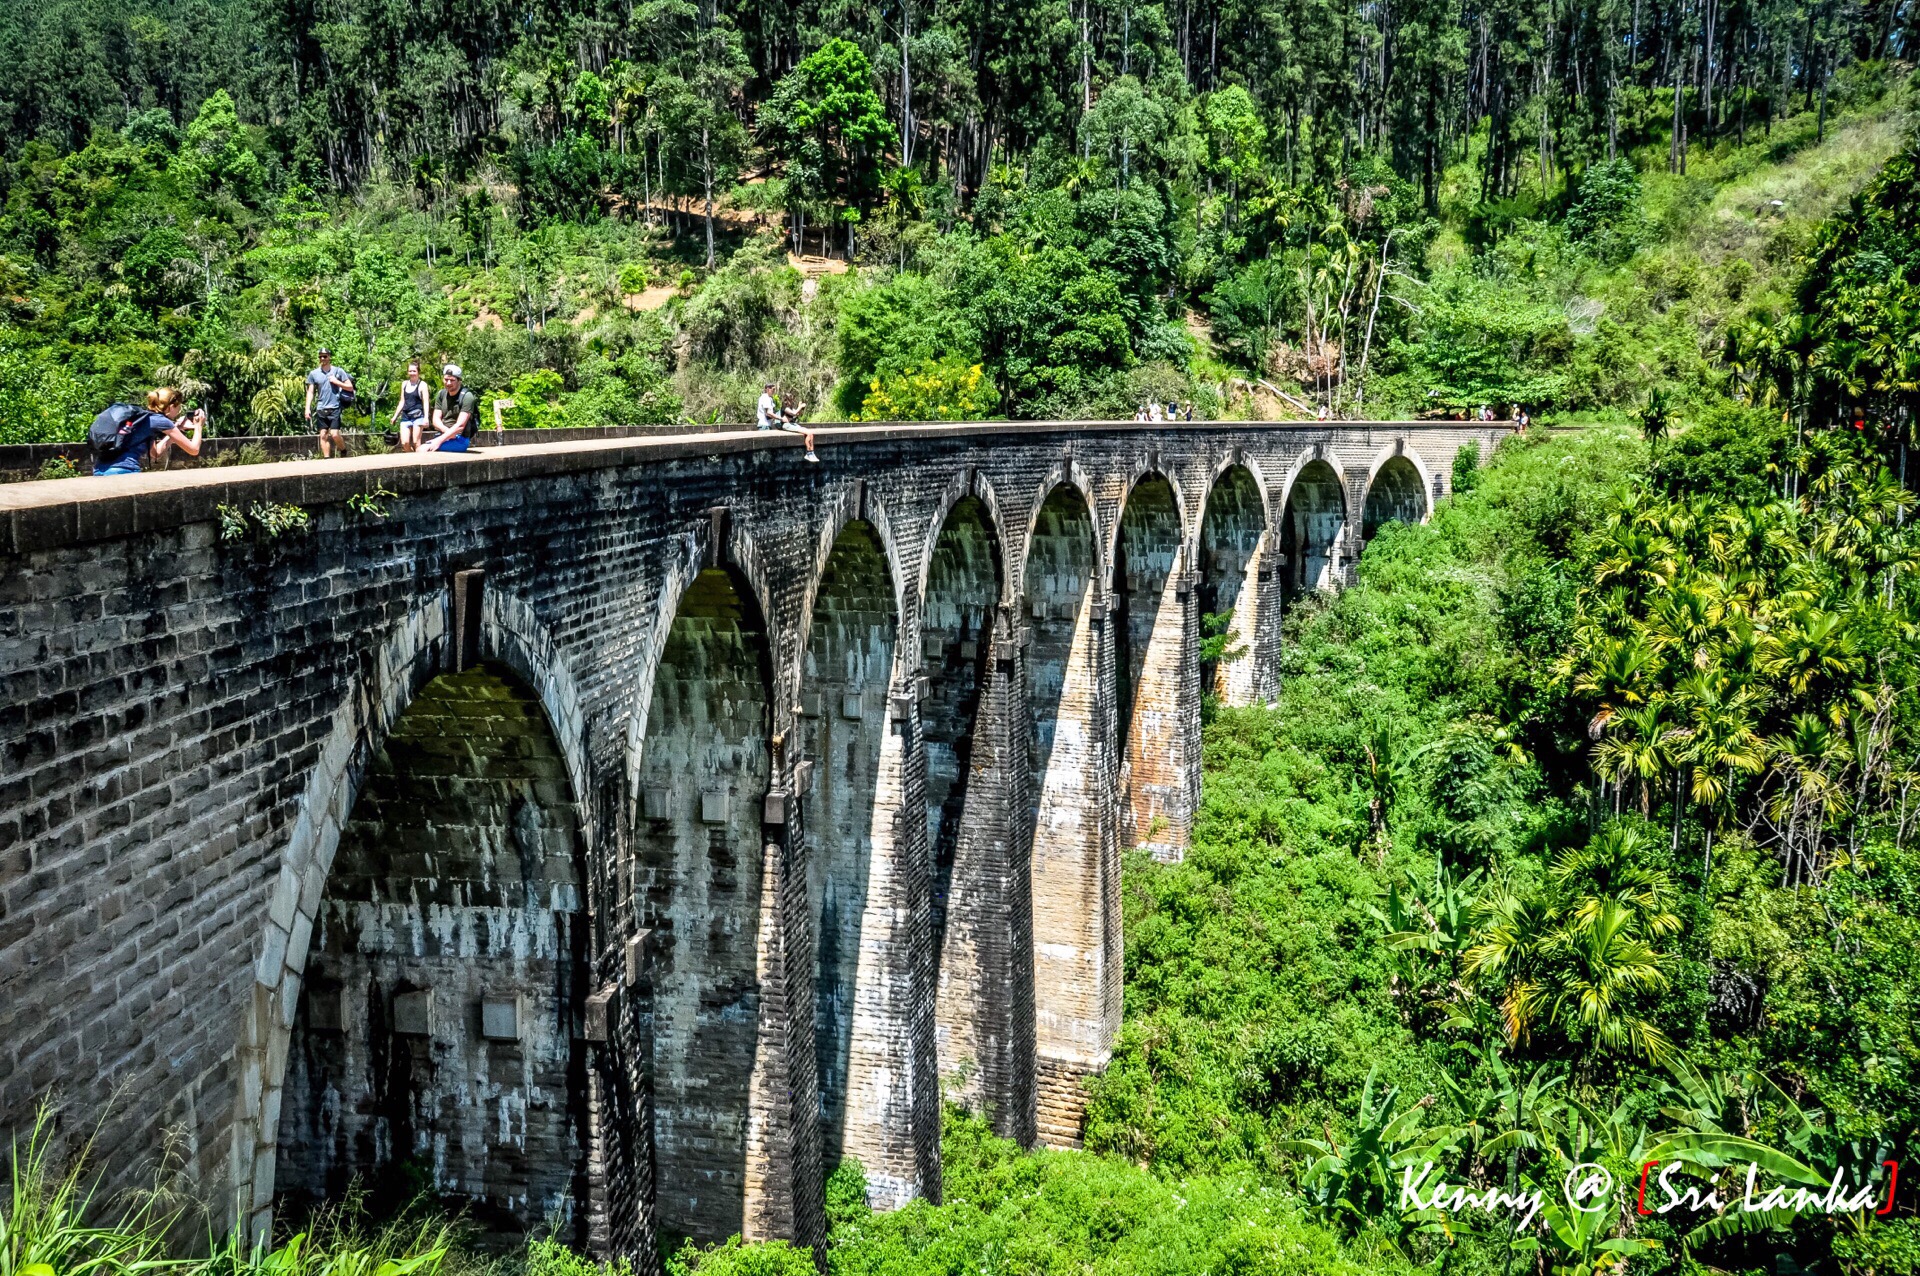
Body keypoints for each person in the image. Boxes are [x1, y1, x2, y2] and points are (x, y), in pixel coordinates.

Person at [90, 387, 205, 475]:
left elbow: (155, 454)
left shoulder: (142, 418)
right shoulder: (161, 421)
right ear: (171, 407)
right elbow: (193, 449)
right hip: (124, 470)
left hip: (100, 469)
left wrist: (176, 431)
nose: (179, 411)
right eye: (178, 407)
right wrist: (198, 426)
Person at [304, 349, 355, 458]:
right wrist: (307, 408)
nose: (323, 359)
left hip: (335, 407)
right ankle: (327, 460)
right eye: (321, 356)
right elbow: (310, 392)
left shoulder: (338, 371)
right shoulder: (314, 374)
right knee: (323, 435)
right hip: (321, 408)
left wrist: (336, 382)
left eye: (325, 356)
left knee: (335, 434)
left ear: (329, 357)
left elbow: (350, 387)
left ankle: (343, 450)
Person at [422, 364, 478, 453]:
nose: (448, 383)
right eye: (446, 380)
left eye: (452, 380)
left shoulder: (467, 396)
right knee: (421, 449)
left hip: (460, 439)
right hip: (443, 434)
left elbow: (460, 426)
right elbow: (435, 420)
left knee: (424, 449)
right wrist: (447, 433)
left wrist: (439, 441)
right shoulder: (441, 394)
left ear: (459, 381)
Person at [390, 360, 430, 451]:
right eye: (410, 371)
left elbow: (426, 402)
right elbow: (402, 401)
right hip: (406, 416)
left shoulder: (422, 385)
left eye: (414, 371)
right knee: (405, 443)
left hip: (418, 416)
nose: (412, 373)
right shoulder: (404, 384)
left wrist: (426, 417)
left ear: (418, 372)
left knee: (416, 442)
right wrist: (395, 416)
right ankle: (411, 457)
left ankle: (419, 462)